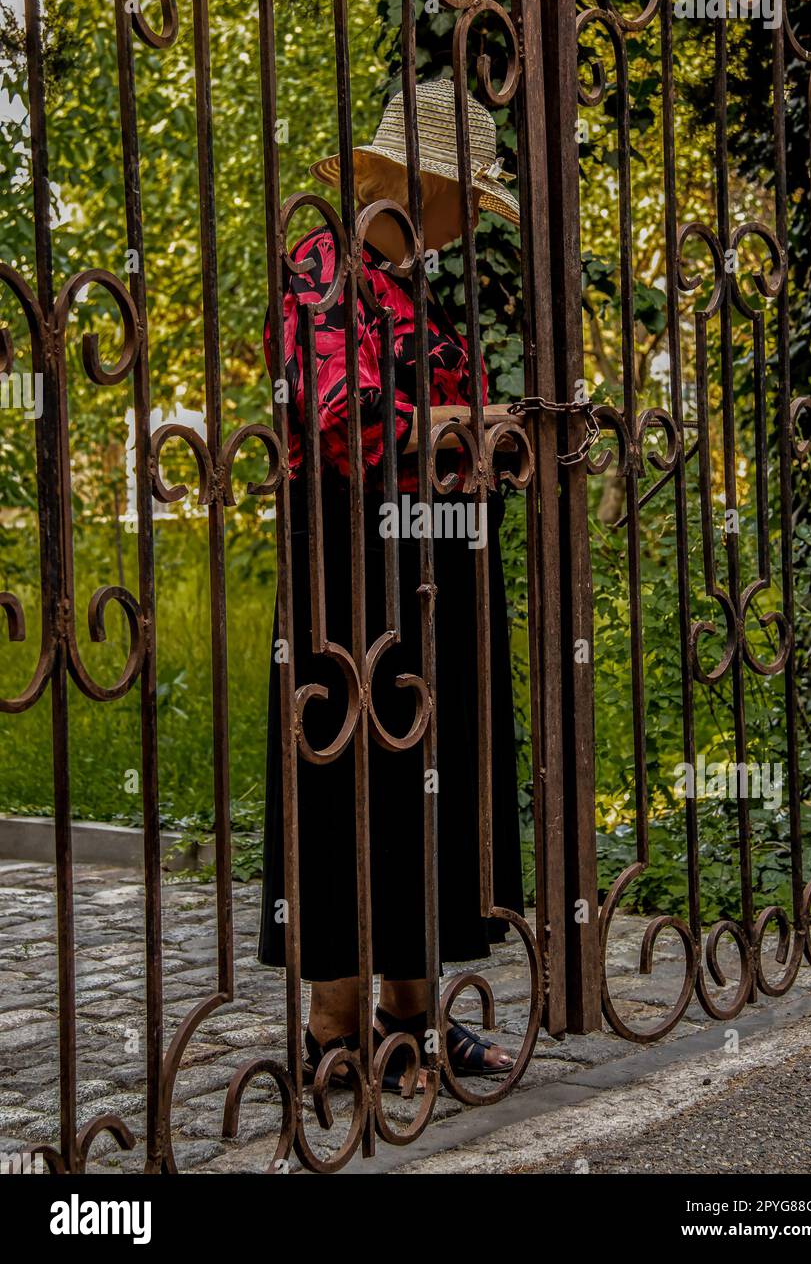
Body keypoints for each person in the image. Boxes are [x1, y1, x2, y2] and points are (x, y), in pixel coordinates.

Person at [258, 78, 525, 1090]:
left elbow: (442, 424)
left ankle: (408, 1023)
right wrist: (474, 427)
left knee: (431, 783)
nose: (467, 224)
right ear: (422, 186)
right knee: (344, 781)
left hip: (436, 557)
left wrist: (489, 440)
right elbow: (345, 421)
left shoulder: (412, 285)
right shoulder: (323, 268)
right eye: (464, 200)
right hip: (351, 564)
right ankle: (333, 1036)